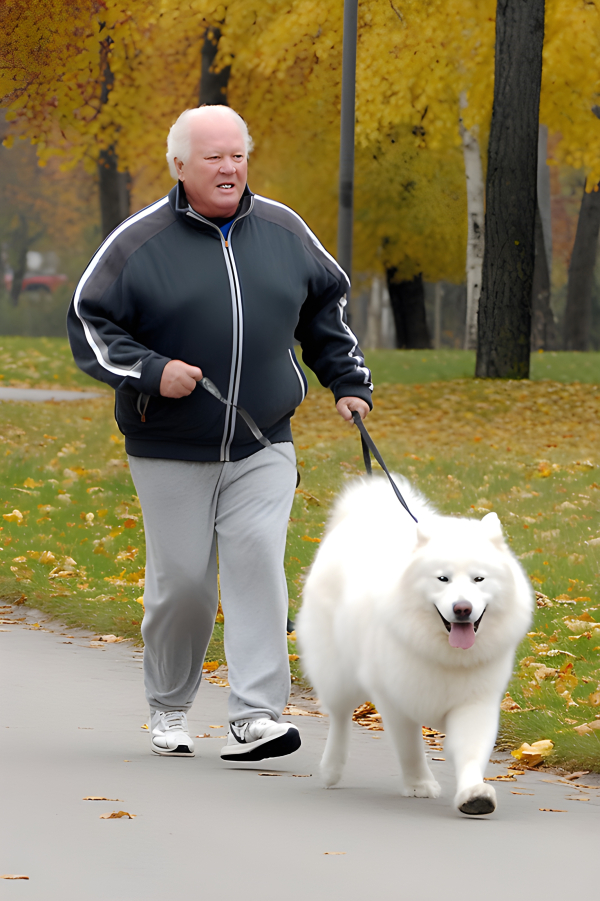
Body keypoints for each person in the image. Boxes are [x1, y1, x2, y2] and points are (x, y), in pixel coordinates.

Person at [67, 105, 372, 762]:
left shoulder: (284, 230)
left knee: (257, 561)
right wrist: (152, 371)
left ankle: (256, 715)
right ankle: (169, 706)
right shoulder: (138, 242)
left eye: (238, 155)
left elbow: (326, 308)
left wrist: (347, 380)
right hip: (169, 444)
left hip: (264, 440)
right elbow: (91, 323)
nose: (230, 167)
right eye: (214, 157)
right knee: (184, 585)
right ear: (180, 165)